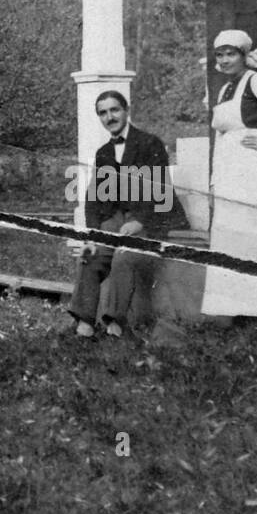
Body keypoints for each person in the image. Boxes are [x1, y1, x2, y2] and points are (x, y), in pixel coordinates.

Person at [200, 29, 257, 323]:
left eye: (231, 54)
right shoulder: (223, 90)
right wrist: (215, 181)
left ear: (244, 55)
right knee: (231, 240)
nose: (225, 60)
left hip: (252, 171)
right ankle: (236, 313)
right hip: (229, 171)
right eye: (221, 55)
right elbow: (220, 136)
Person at [68, 91, 176, 338]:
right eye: (103, 113)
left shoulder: (150, 144)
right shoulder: (104, 152)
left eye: (114, 110)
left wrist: (139, 222)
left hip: (147, 223)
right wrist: (92, 236)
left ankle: (113, 321)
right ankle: (84, 320)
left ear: (127, 110)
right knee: (91, 256)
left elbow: (163, 194)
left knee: (123, 257)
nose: (110, 117)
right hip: (115, 221)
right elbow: (94, 199)